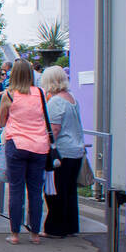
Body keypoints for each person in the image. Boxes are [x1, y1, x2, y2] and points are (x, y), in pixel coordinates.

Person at [0, 58, 49, 245]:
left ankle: (15, 234)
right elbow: (44, 117)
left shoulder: (9, 94)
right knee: (36, 191)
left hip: (17, 143)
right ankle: (35, 233)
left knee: (16, 189)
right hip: (39, 145)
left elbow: (2, 121)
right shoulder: (41, 93)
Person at [41, 65, 85, 238]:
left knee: (55, 191)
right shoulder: (72, 98)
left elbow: (54, 129)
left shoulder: (56, 101)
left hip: (62, 152)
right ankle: (70, 225)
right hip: (77, 150)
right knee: (70, 190)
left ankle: (55, 228)